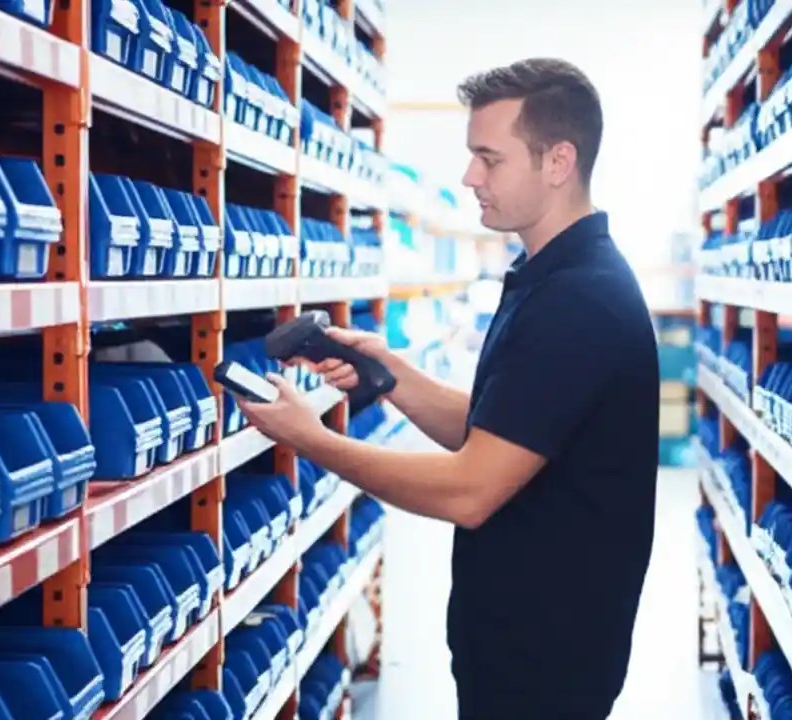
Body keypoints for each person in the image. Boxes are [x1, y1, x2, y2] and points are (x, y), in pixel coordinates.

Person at [238, 57, 659, 719]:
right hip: (528, 648)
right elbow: (508, 429)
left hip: (546, 668)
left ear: (558, 162)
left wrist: (311, 441)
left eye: (489, 159)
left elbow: (471, 490)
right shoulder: (551, 277)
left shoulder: (580, 301)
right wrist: (392, 375)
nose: (469, 176)